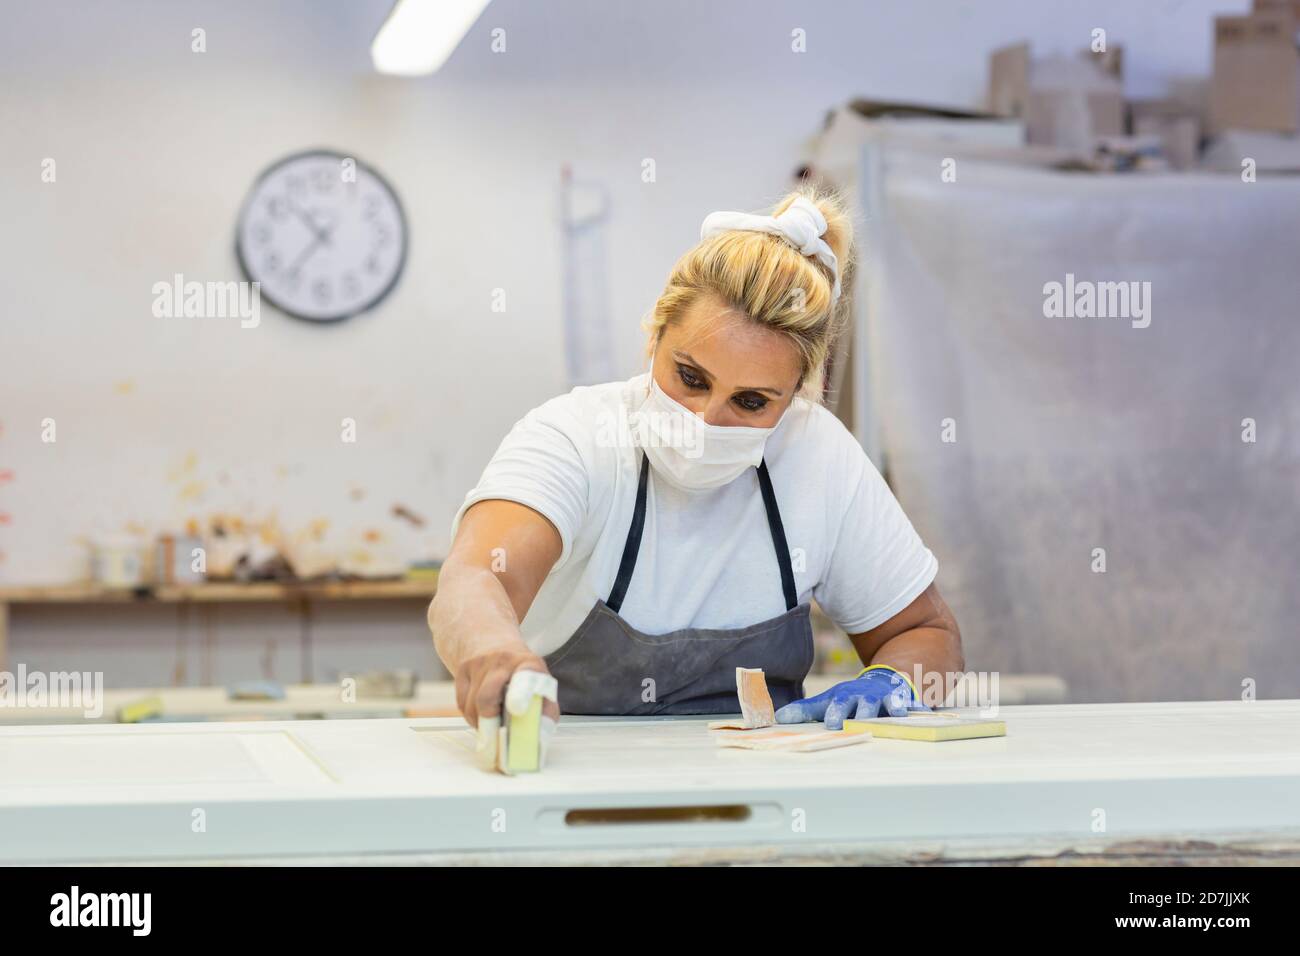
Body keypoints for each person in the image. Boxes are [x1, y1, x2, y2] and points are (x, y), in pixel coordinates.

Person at [429, 186, 963, 735]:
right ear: (654, 337)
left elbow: (926, 634)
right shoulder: (577, 435)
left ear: (799, 394)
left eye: (751, 402)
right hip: (576, 791)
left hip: (764, 799)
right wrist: (492, 651)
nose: (706, 420)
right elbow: (475, 577)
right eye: (690, 378)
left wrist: (896, 680)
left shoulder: (817, 455)